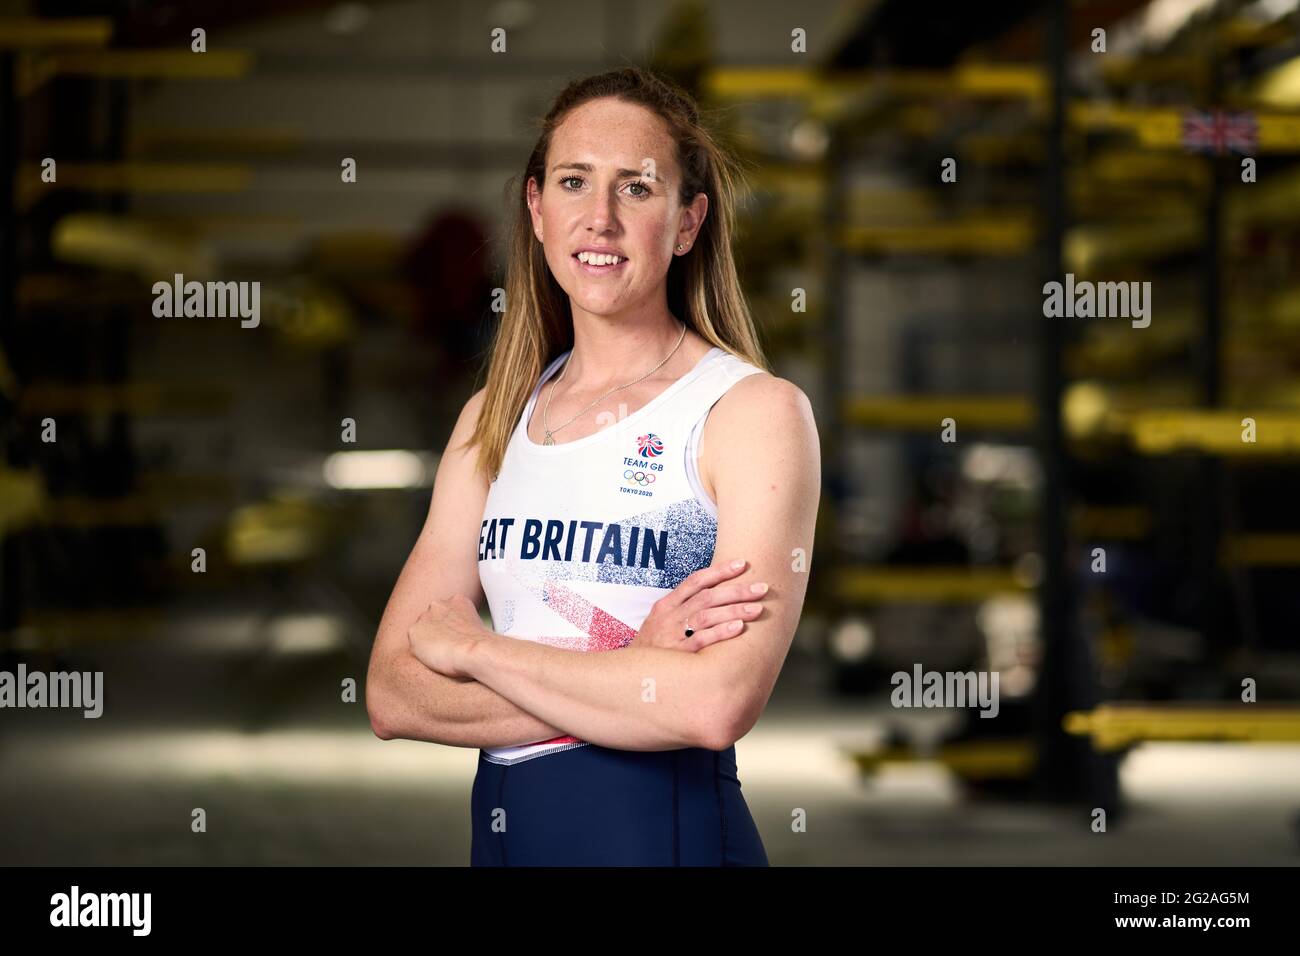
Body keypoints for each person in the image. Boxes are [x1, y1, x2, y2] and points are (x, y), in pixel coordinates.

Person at [365, 67, 820, 866]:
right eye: (575, 182)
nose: (600, 220)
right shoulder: (493, 422)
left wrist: (478, 653)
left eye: (637, 189)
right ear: (538, 210)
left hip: (661, 838)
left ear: (687, 223)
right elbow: (394, 693)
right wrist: (634, 674)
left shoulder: (751, 415)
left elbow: (714, 703)